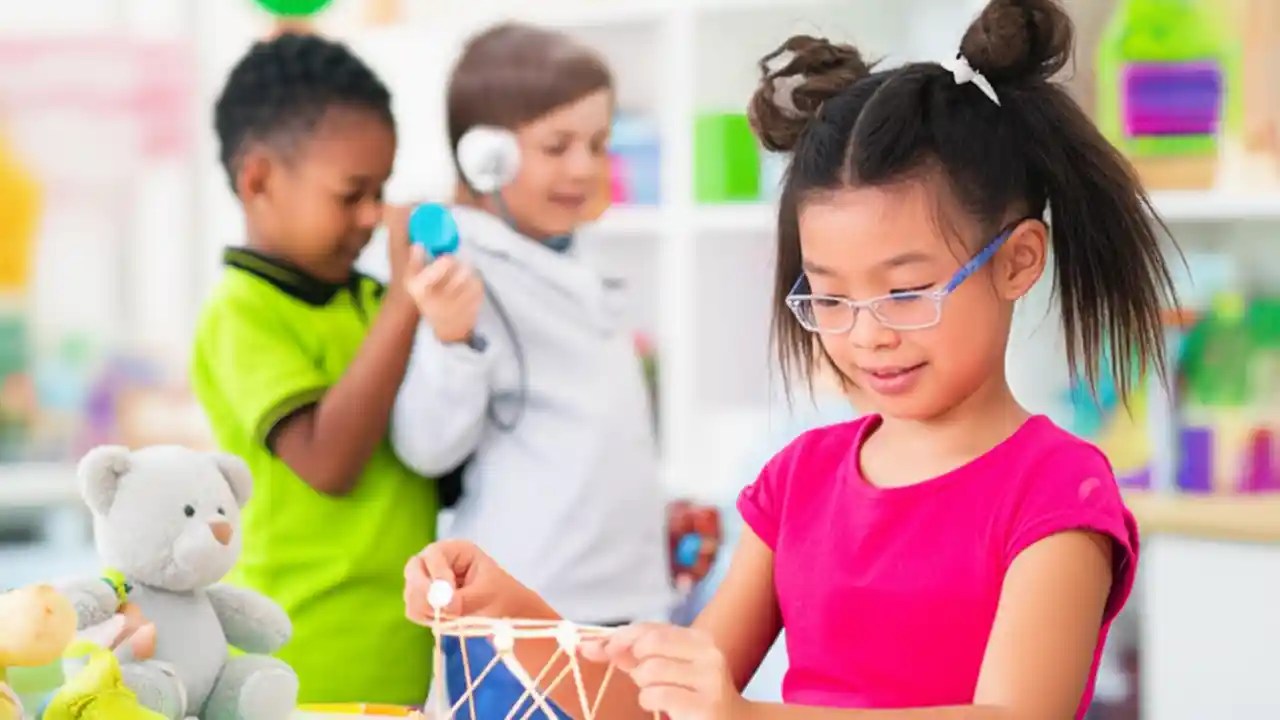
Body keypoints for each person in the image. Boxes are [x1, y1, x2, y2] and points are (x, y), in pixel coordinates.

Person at [402, 1, 1180, 718]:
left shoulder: (1055, 489)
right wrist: (511, 615)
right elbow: (661, 703)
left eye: (907, 292)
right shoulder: (799, 479)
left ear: (1017, 261)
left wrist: (749, 718)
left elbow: (1013, 715)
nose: (866, 334)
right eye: (830, 299)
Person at [389, 22, 717, 629]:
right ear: (483, 156)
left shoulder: (579, 257)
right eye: (557, 145)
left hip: (628, 600)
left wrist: (653, 515)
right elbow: (425, 444)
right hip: (529, 605)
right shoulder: (463, 270)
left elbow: (586, 439)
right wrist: (452, 338)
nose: (583, 167)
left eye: (597, 144)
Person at [191, 33, 440, 705]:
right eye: (352, 193)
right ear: (260, 180)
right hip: (298, 666)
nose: (371, 217)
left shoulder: (369, 301)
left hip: (406, 657)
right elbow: (328, 461)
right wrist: (407, 301)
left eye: (381, 191)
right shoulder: (241, 313)